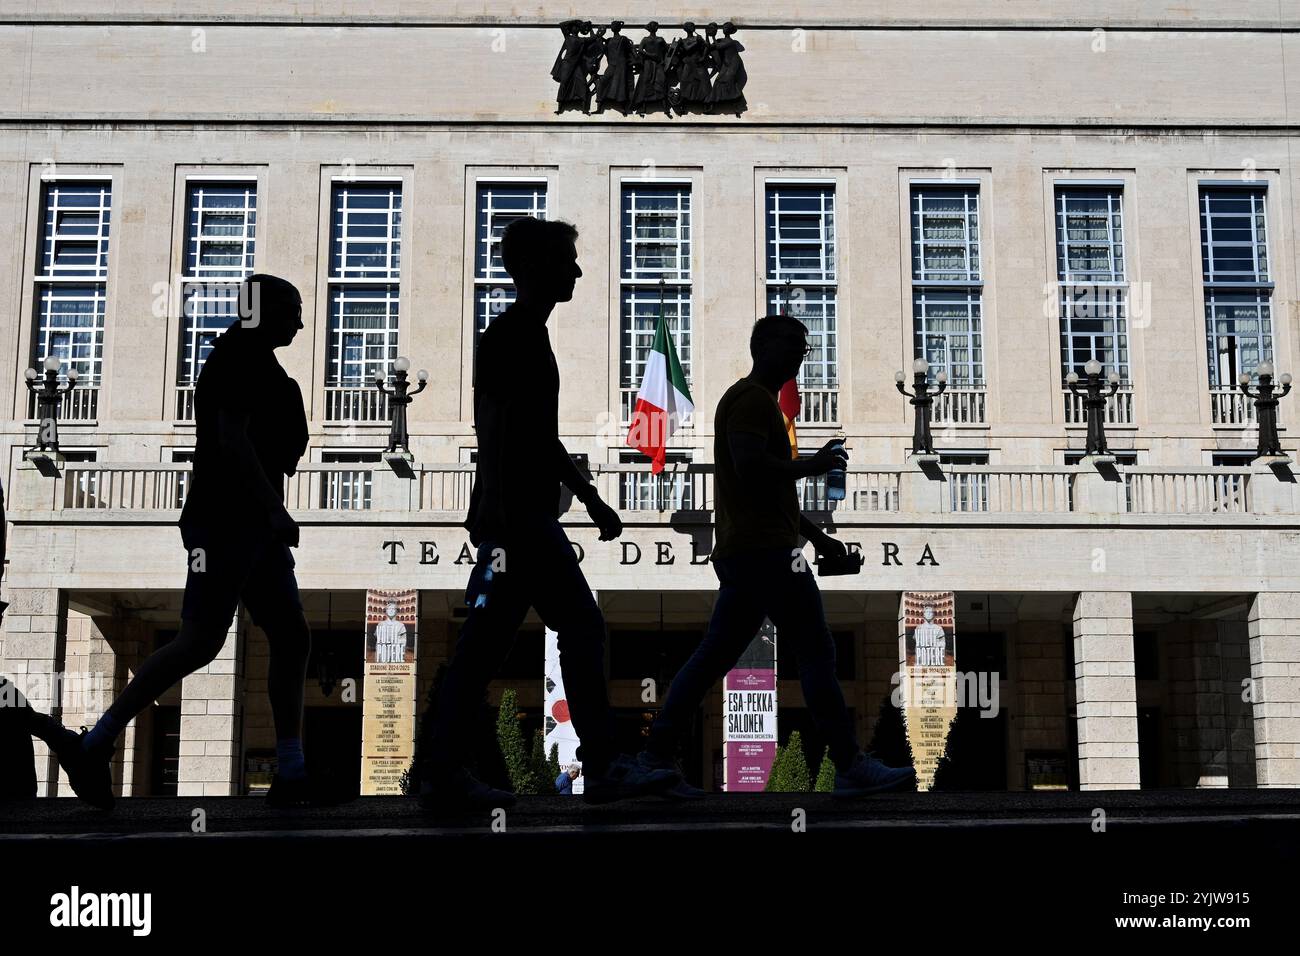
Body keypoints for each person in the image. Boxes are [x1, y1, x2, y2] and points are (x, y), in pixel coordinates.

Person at [415, 216, 678, 811]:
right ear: (534, 268)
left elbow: (538, 434)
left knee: (483, 646)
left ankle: (440, 772)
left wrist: (587, 498)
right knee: (579, 626)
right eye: (566, 260)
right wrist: (504, 511)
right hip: (522, 520)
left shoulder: (526, 334)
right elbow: (502, 429)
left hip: (522, 517)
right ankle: (603, 767)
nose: (577, 271)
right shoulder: (512, 335)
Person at [57, 274, 339, 809]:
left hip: (252, 524)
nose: (301, 322)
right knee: (201, 640)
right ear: (262, 311)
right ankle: (96, 741)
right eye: (292, 310)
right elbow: (232, 440)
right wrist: (274, 510)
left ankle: (291, 768)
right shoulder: (238, 360)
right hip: (227, 521)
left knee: (291, 633)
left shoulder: (257, 362)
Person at [635, 314, 917, 797]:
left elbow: (772, 491)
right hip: (765, 552)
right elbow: (752, 469)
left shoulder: (756, 402)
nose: (799, 360)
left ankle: (655, 756)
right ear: (762, 346)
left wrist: (820, 539)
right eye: (793, 347)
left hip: (757, 550)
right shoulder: (749, 401)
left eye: (804, 351)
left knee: (712, 657)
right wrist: (815, 465)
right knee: (816, 651)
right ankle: (850, 766)